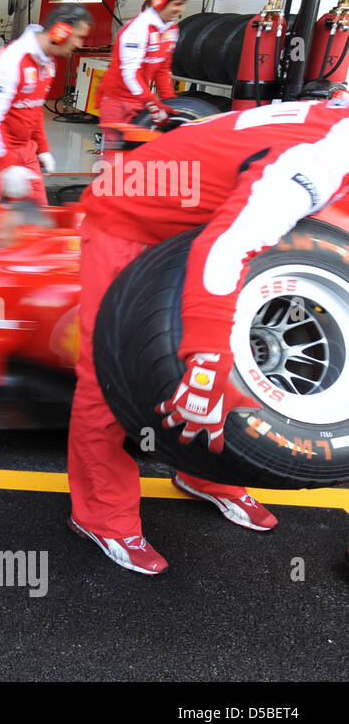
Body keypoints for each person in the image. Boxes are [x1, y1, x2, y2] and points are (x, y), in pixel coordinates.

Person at [68, 97, 349, 574]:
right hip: (131, 215)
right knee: (108, 370)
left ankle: (205, 474)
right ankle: (102, 515)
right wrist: (204, 365)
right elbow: (224, 249)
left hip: (204, 213)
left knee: (225, 344)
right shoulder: (317, 160)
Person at [0, 4, 92, 211]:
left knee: (36, 217)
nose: (79, 44)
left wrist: (42, 148)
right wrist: (5, 165)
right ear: (61, 31)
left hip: (25, 149)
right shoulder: (10, 62)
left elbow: (34, 107)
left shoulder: (47, 62)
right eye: (78, 37)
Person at [96, 0, 189, 156]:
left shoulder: (172, 29)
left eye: (183, 4)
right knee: (115, 159)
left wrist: (170, 103)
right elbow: (130, 75)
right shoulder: (137, 28)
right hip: (117, 102)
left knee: (139, 157)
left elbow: (162, 70)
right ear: (160, 1)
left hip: (141, 100)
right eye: (177, 4)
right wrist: (153, 104)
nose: (181, 9)